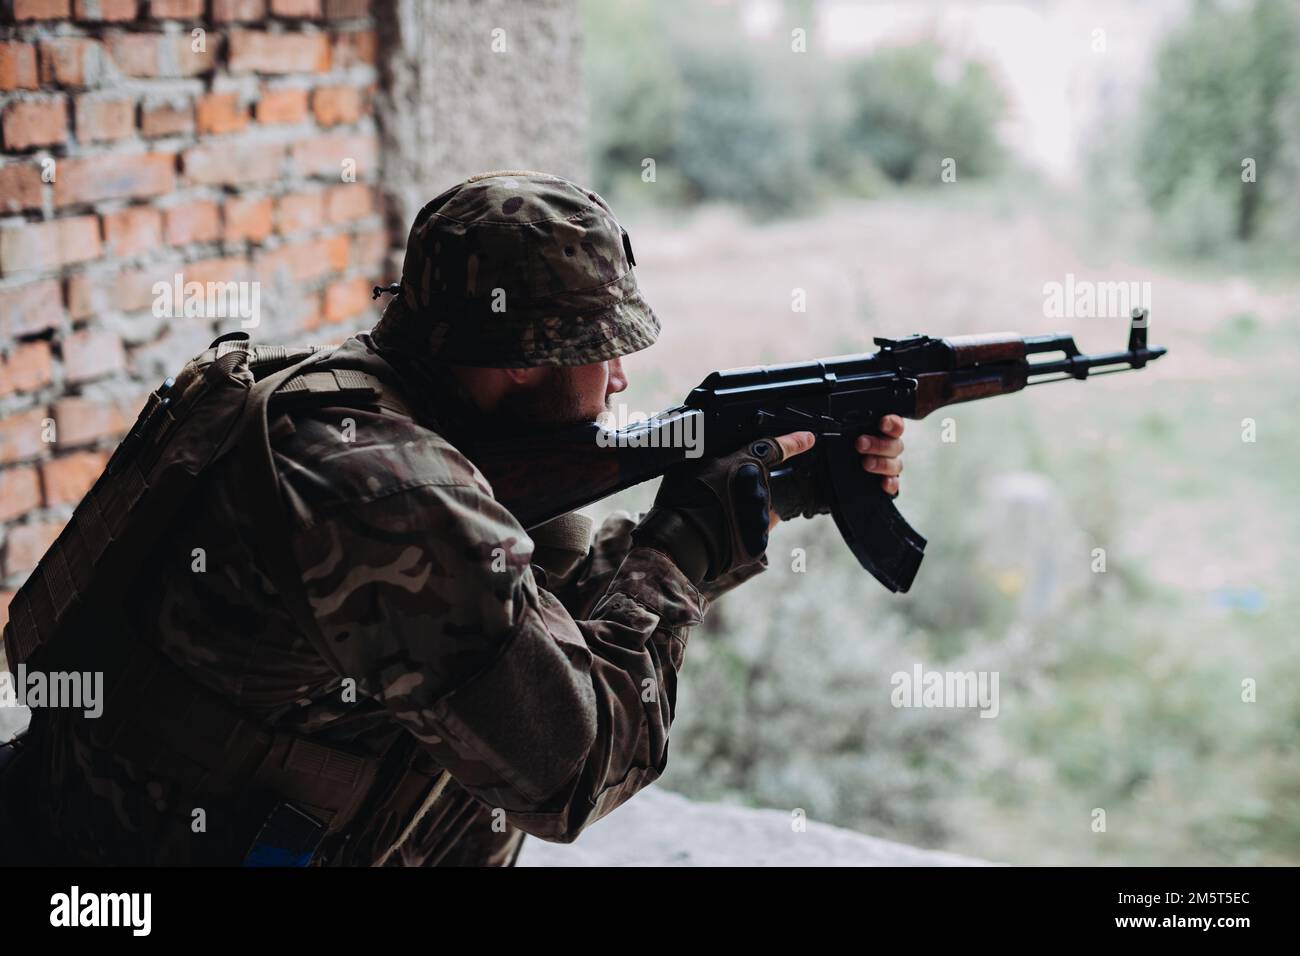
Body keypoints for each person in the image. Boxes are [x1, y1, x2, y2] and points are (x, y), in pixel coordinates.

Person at [0, 170, 904, 866]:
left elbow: (518, 625)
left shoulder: (337, 396)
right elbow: (572, 771)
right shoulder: (390, 493)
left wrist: (773, 492)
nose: (620, 380)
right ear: (524, 358)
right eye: (604, 352)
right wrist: (686, 551)